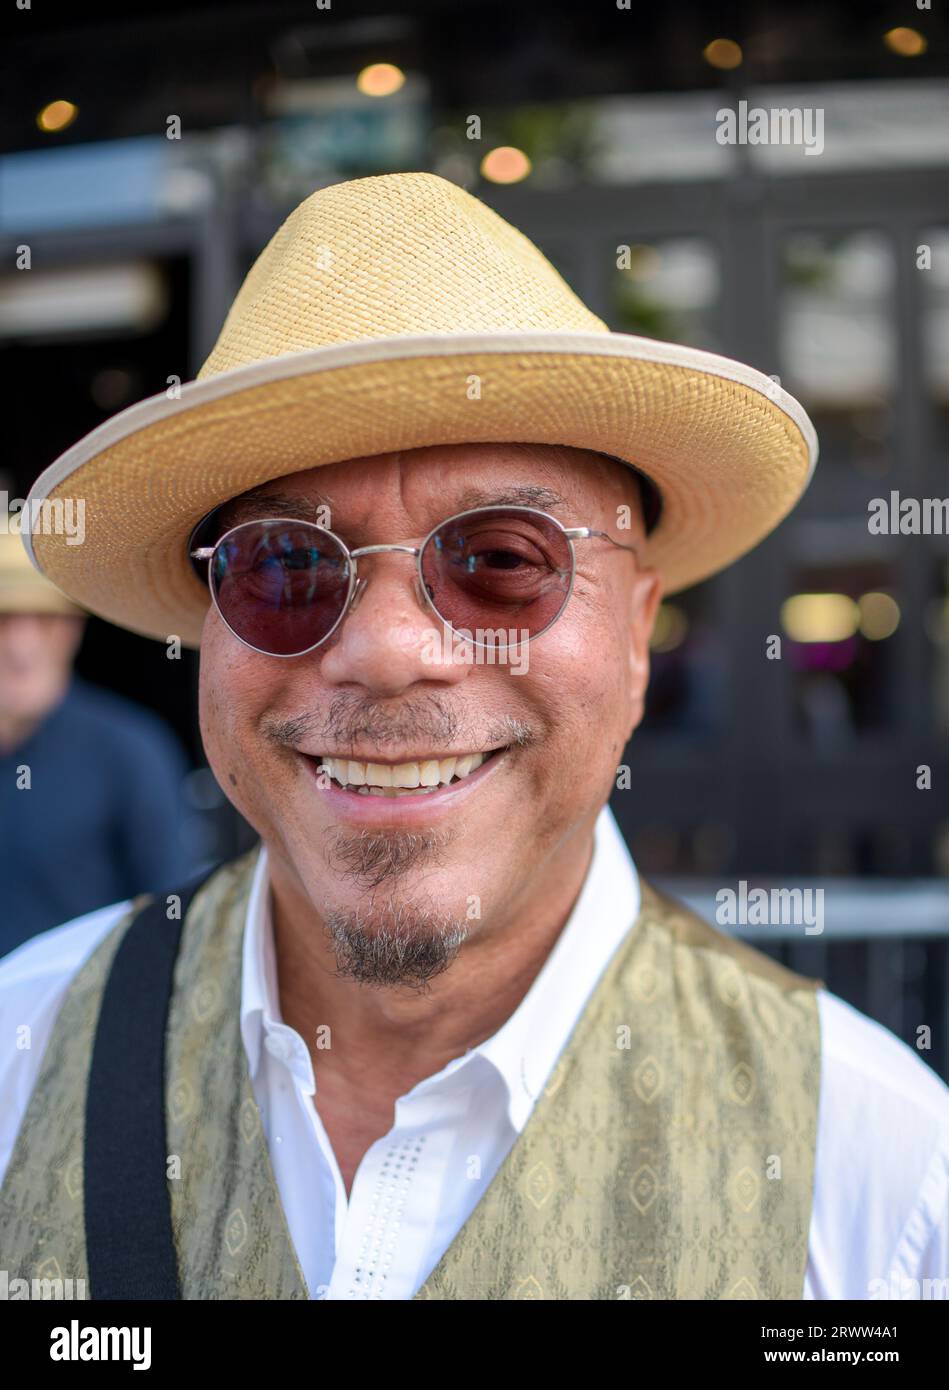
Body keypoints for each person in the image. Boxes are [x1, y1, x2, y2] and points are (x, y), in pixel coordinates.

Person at [0, 172, 946, 1301]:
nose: (388, 650)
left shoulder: (880, 1181)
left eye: (502, 560)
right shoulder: (22, 1053)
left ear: (637, 635)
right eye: (286, 567)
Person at [0, 527, 194, 953]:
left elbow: (170, 921)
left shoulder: (130, 752)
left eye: (46, 619)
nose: (22, 645)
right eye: (4, 619)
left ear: (75, 626)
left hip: (75, 1014)